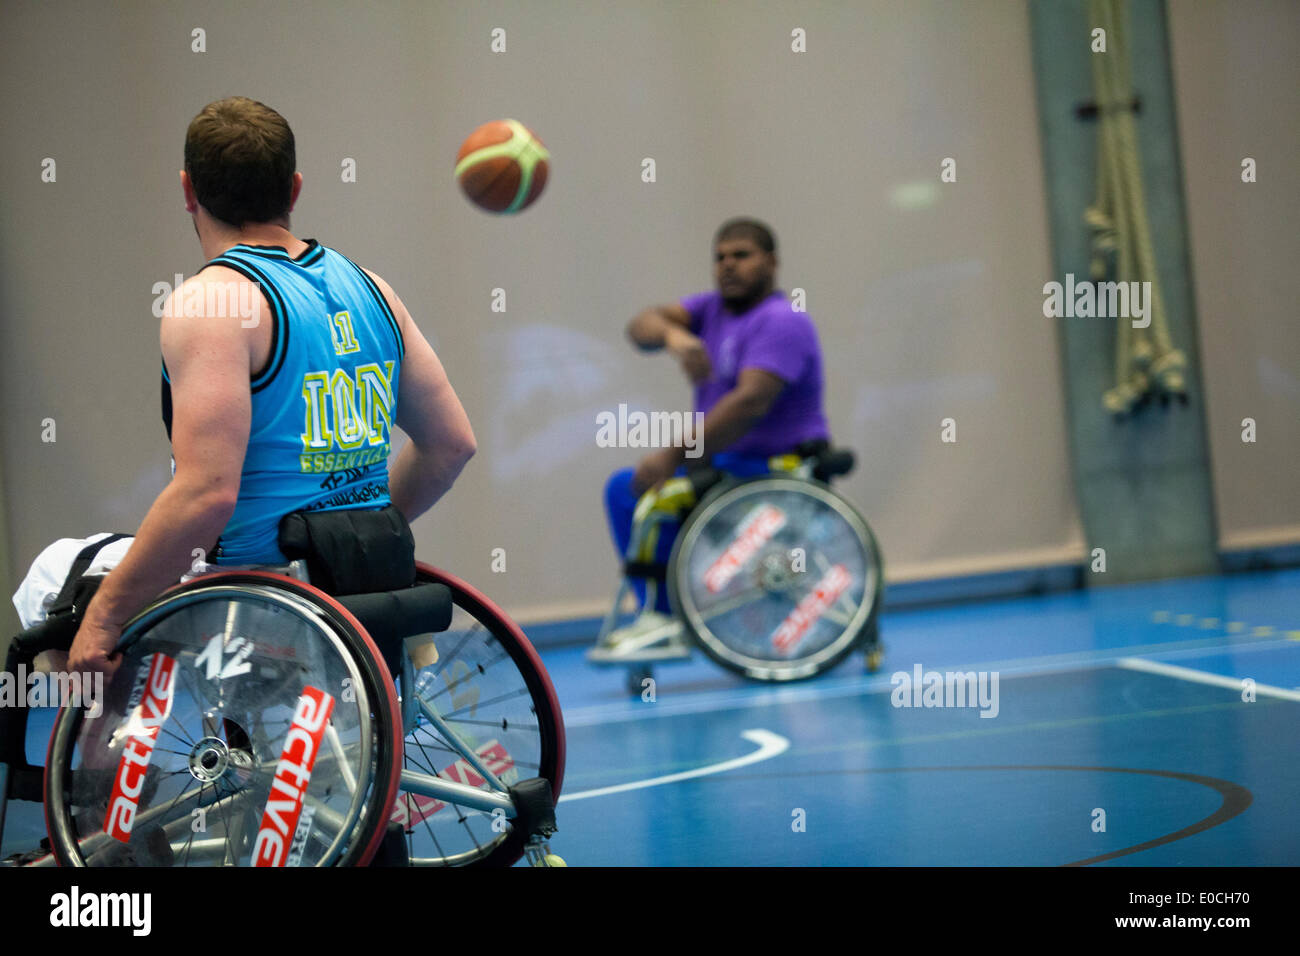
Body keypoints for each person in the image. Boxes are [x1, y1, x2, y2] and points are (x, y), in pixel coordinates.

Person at [68, 96, 476, 677]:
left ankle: (105, 767)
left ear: (188, 190)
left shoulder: (213, 302)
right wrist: (359, 543)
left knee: (58, 586)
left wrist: (104, 620)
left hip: (255, 592)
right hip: (359, 582)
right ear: (295, 189)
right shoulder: (373, 289)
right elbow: (452, 445)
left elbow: (207, 494)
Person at [593, 218, 831, 659]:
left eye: (741, 255)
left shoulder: (782, 321)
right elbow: (638, 327)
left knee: (658, 494)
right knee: (626, 489)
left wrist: (673, 453)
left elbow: (749, 405)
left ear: (772, 262)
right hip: (724, 468)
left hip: (775, 470)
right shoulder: (712, 310)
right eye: (719, 257)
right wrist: (673, 335)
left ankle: (666, 618)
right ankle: (661, 611)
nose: (727, 265)